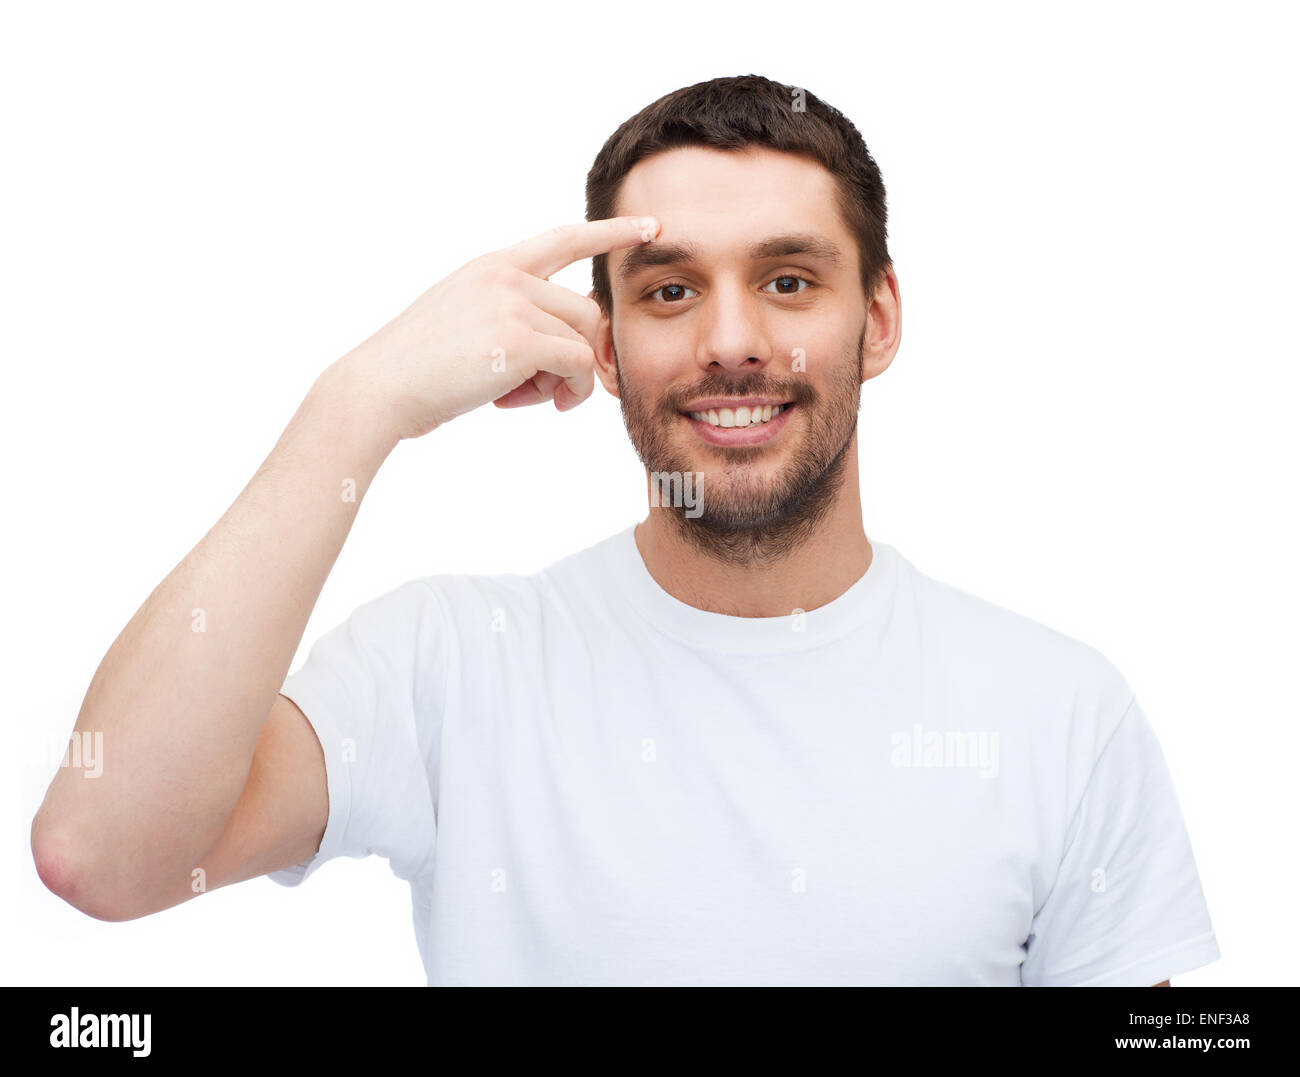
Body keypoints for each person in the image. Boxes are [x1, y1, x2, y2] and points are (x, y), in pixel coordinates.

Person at [31, 74, 1218, 986]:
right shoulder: (456, 664)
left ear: (881, 320)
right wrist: (358, 405)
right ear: (600, 345)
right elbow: (102, 854)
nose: (730, 341)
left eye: (790, 281)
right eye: (668, 290)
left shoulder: (1060, 710)